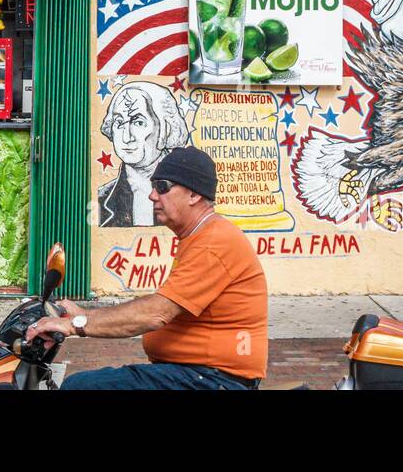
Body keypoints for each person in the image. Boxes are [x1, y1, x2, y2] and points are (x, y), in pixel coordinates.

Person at [27, 146, 268, 389]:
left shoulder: (213, 242)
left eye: (162, 186)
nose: (152, 195)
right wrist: (84, 315)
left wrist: (75, 325)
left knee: (79, 387)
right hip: (196, 373)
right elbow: (160, 305)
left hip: (213, 379)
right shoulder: (200, 237)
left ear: (194, 195)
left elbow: (156, 312)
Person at [98, 81, 191, 227]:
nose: (126, 137)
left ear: (165, 129)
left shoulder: (188, 198)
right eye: (119, 123)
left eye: (139, 122)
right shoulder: (101, 199)